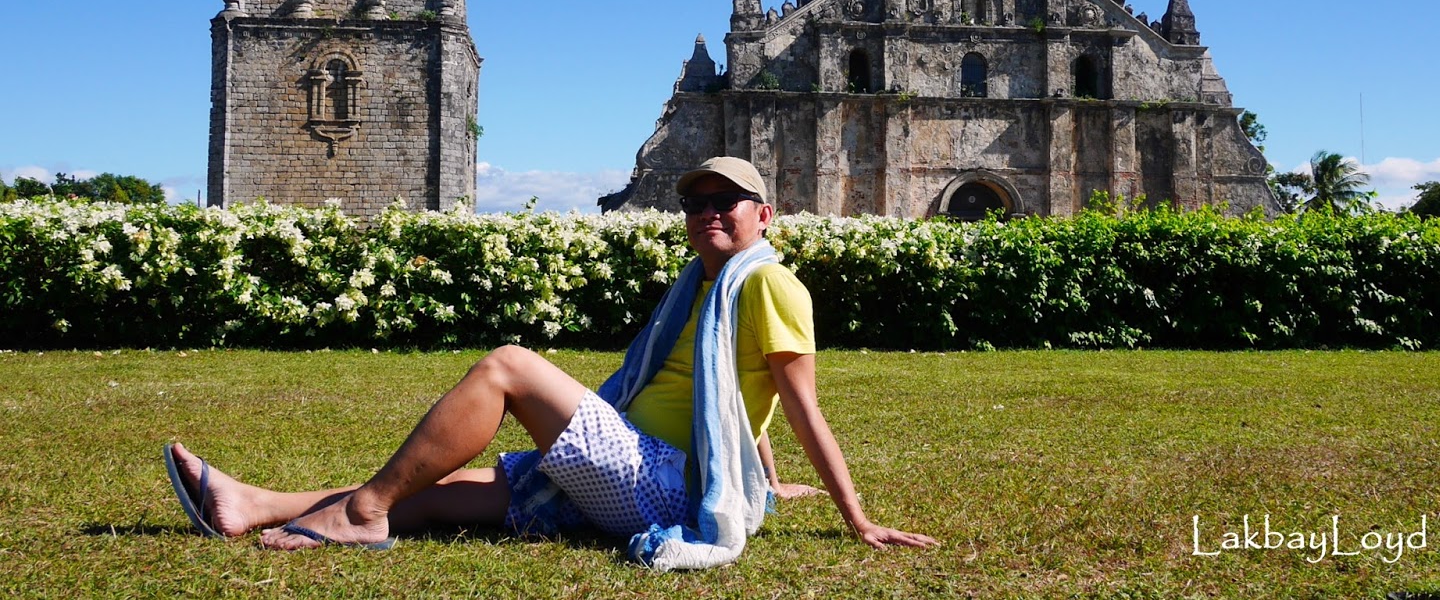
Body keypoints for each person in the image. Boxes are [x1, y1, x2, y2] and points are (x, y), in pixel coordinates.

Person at [164, 157, 935, 567]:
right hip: (640, 471)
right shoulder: (702, 286)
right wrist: (761, 483)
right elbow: (737, 402)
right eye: (695, 202)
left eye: (725, 200)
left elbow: (800, 408)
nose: (707, 212)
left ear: (765, 216)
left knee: (507, 366)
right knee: (438, 494)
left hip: (656, 484)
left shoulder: (769, 283)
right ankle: (252, 504)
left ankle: (363, 515)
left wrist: (858, 521)